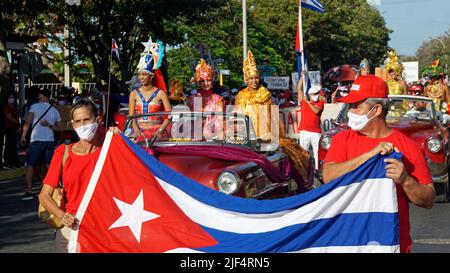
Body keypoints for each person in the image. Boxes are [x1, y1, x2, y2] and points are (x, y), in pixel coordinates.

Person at [322, 74, 436, 253]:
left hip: (390, 244)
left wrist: (405, 180)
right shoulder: (341, 140)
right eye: (349, 106)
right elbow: (328, 176)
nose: (350, 111)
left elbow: (428, 199)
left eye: (356, 106)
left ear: (376, 110)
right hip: (347, 243)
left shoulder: (409, 147)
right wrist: (369, 155)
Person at [38, 99, 119, 252]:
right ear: (73, 125)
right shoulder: (63, 152)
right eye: (78, 121)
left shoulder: (110, 150)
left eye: (87, 120)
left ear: (99, 120)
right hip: (72, 228)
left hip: (104, 228)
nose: (83, 125)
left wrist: (120, 139)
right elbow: (44, 195)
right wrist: (62, 215)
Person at [20, 88, 63, 200]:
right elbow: (60, 129)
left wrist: (23, 136)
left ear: (44, 97)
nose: (39, 97)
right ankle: (55, 189)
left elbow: (27, 123)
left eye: (40, 95)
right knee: (49, 166)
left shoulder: (34, 107)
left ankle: (29, 190)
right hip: (49, 141)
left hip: (36, 140)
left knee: (31, 166)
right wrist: (49, 125)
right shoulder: (55, 111)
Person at [128, 37, 172, 141]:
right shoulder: (134, 94)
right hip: (138, 134)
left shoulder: (160, 93)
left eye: (144, 74)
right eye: (140, 74)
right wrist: (136, 129)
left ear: (151, 76)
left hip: (156, 134)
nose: (141, 77)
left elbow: (169, 115)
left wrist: (160, 130)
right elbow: (131, 116)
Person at [297, 79, 325, 170]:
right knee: (303, 152)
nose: (316, 95)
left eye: (317, 93)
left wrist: (308, 102)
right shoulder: (303, 102)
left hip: (316, 132)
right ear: (309, 95)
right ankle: (304, 169)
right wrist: (302, 78)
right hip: (304, 131)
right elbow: (299, 89)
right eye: (314, 94)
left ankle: (317, 169)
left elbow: (316, 111)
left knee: (317, 152)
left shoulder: (320, 103)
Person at [2, 92, 21, 168]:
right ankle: (7, 162)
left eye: (12, 97)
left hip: (14, 128)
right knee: (9, 145)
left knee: (13, 146)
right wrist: (18, 123)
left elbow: (17, 115)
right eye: (10, 97)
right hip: (9, 128)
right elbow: (9, 117)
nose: (11, 99)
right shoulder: (7, 107)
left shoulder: (14, 107)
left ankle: (13, 161)